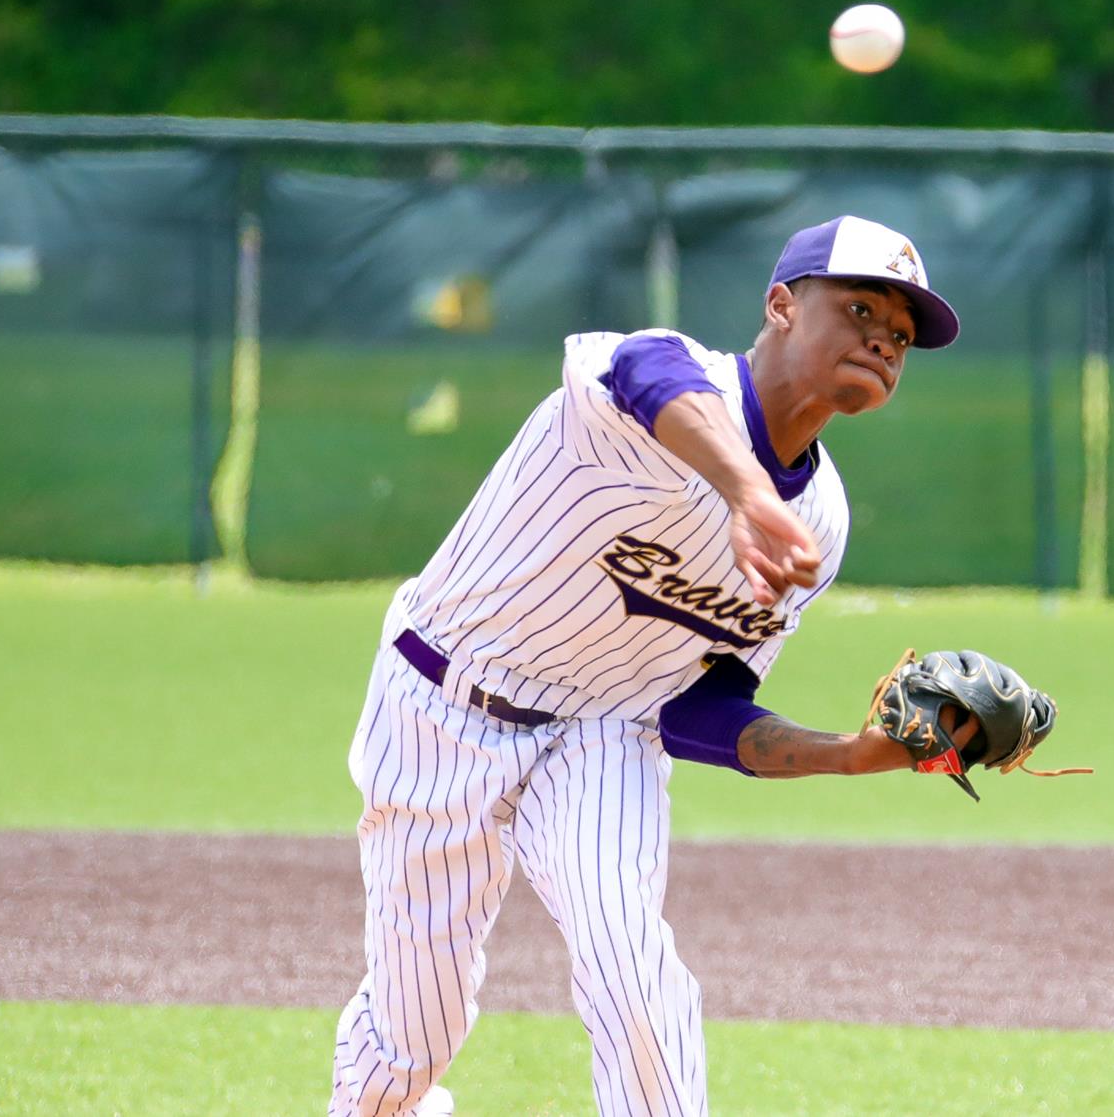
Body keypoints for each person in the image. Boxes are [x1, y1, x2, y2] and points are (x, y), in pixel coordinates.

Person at [329, 215, 964, 1117]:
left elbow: (702, 699)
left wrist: (848, 752)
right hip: (440, 701)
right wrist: (744, 489)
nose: (883, 340)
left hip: (606, 731)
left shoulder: (820, 519)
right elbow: (639, 370)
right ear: (781, 304)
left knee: (632, 970)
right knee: (415, 1034)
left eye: (902, 335)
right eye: (859, 307)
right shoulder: (668, 377)